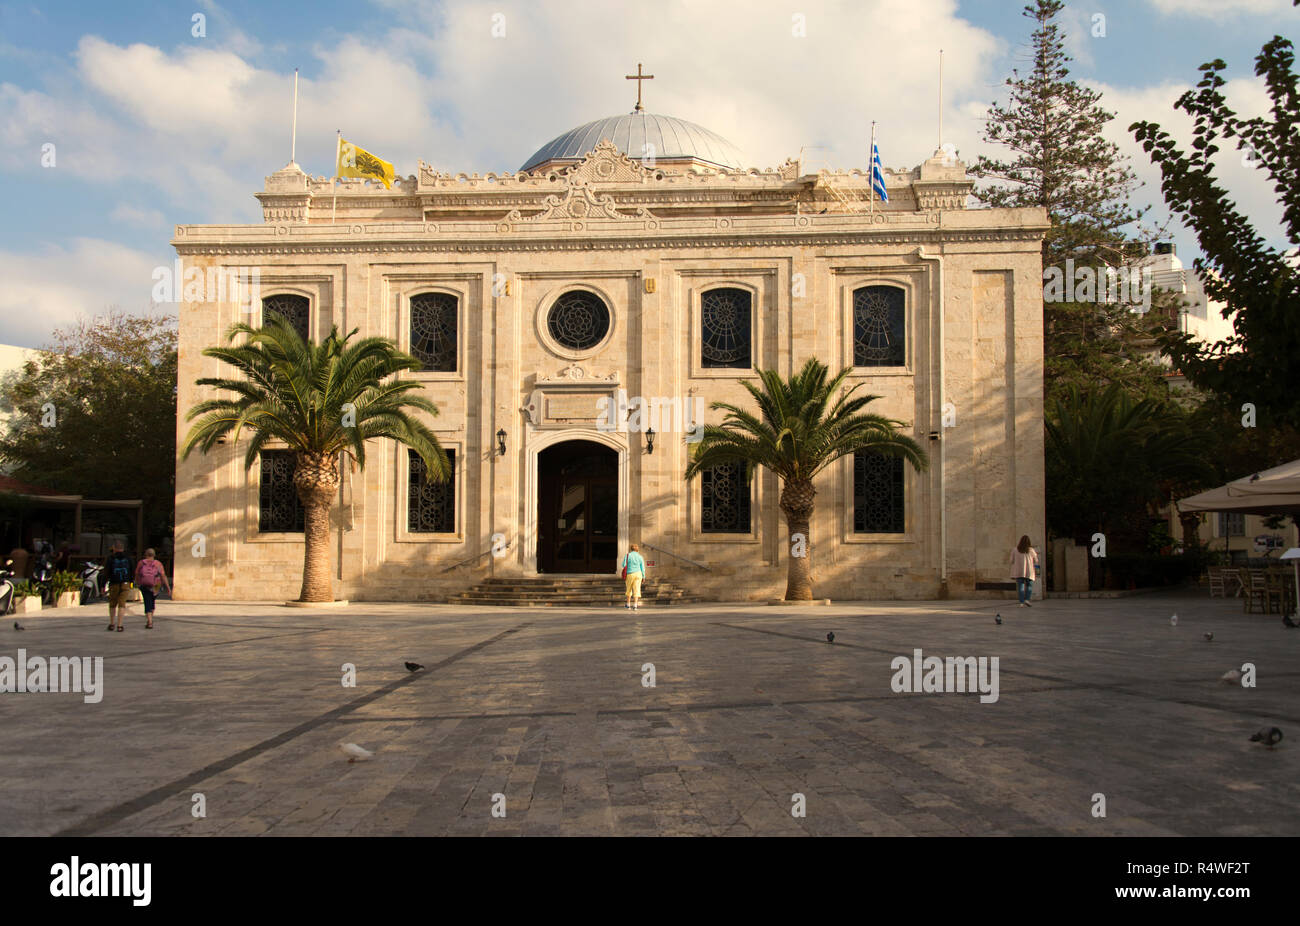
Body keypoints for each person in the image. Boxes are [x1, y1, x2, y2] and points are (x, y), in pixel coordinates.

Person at [134, 549, 172, 630]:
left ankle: (149, 621)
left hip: (144, 584)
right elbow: (163, 575)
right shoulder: (158, 564)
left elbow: (137, 573)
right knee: (152, 601)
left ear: (145, 555)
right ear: (154, 555)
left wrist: (137, 582)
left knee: (147, 601)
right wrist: (168, 588)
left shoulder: (141, 563)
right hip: (156, 586)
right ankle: (150, 619)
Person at [104, 542, 134, 631]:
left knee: (112, 603)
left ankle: (112, 623)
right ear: (123, 548)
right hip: (125, 583)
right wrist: (131, 583)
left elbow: (106, 572)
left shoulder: (110, 558)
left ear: (114, 548)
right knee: (122, 604)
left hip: (114, 583)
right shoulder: (128, 558)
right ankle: (120, 625)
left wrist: (103, 585)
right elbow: (132, 571)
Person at [1010, 535, 1039, 607]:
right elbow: (1036, 560)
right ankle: (1027, 599)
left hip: (1019, 571)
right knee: (1029, 586)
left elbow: (1011, 560)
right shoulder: (1031, 550)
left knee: (1021, 587)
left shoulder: (1015, 550)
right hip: (1029, 571)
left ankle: (1021, 602)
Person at [622, 543, 647, 610]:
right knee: (637, 589)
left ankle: (628, 604)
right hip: (638, 574)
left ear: (631, 549)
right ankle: (635, 605)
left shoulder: (627, 556)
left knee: (629, 589)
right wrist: (643, 576)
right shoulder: (640, 557)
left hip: (630, 574)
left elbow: (624, 565)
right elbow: (642, 568)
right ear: (637, 549)